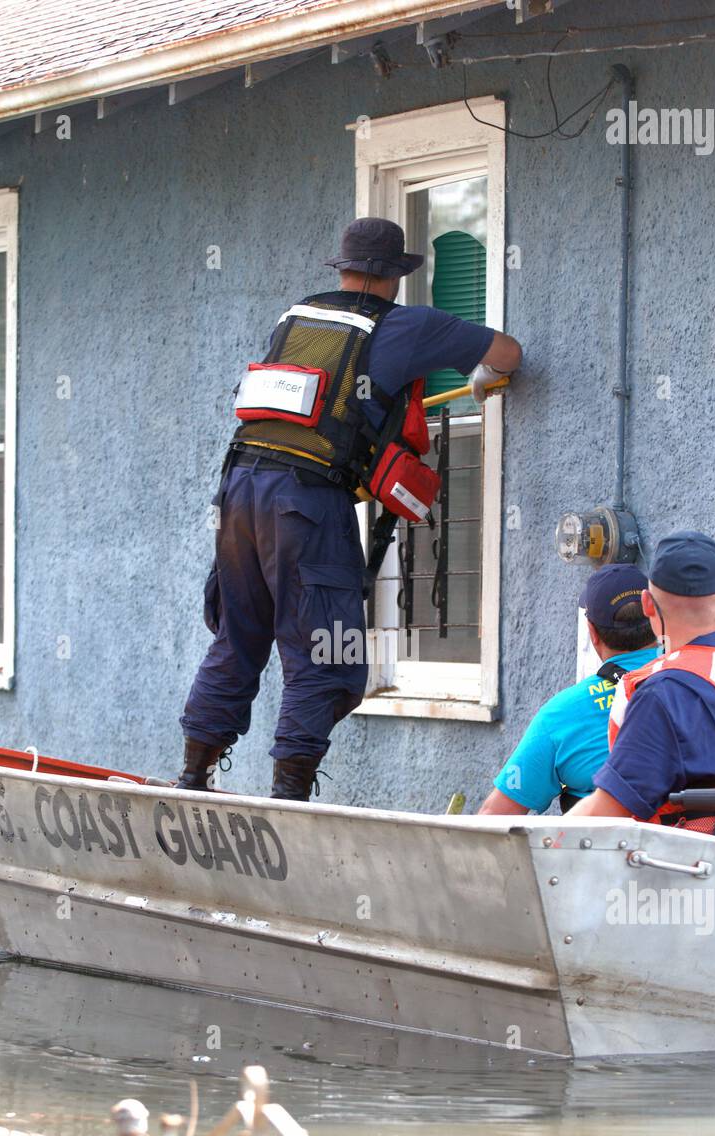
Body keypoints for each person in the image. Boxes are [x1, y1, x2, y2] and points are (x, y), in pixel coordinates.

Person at [177, 217, 522, 799]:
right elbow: (508, 353)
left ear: (343, 269)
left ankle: (192, 776)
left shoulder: (297, 318)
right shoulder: (410, 324)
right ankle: (288, 801)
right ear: (395, 276)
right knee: (325, 652)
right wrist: (486, 374)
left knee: (238, 637)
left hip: (238, 492)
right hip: (306, 502)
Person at [566, 530, 715, 847]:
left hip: (714, 879)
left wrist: (548, 837)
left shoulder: (665, 694)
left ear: (648, 605)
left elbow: (607, 812)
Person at [479, 564, 657, 816]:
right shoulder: (698, 686)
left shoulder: (562, 714)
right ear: (656, 617)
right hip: (700, 851)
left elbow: (493, 817)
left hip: (602, 852)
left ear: (592, 633)